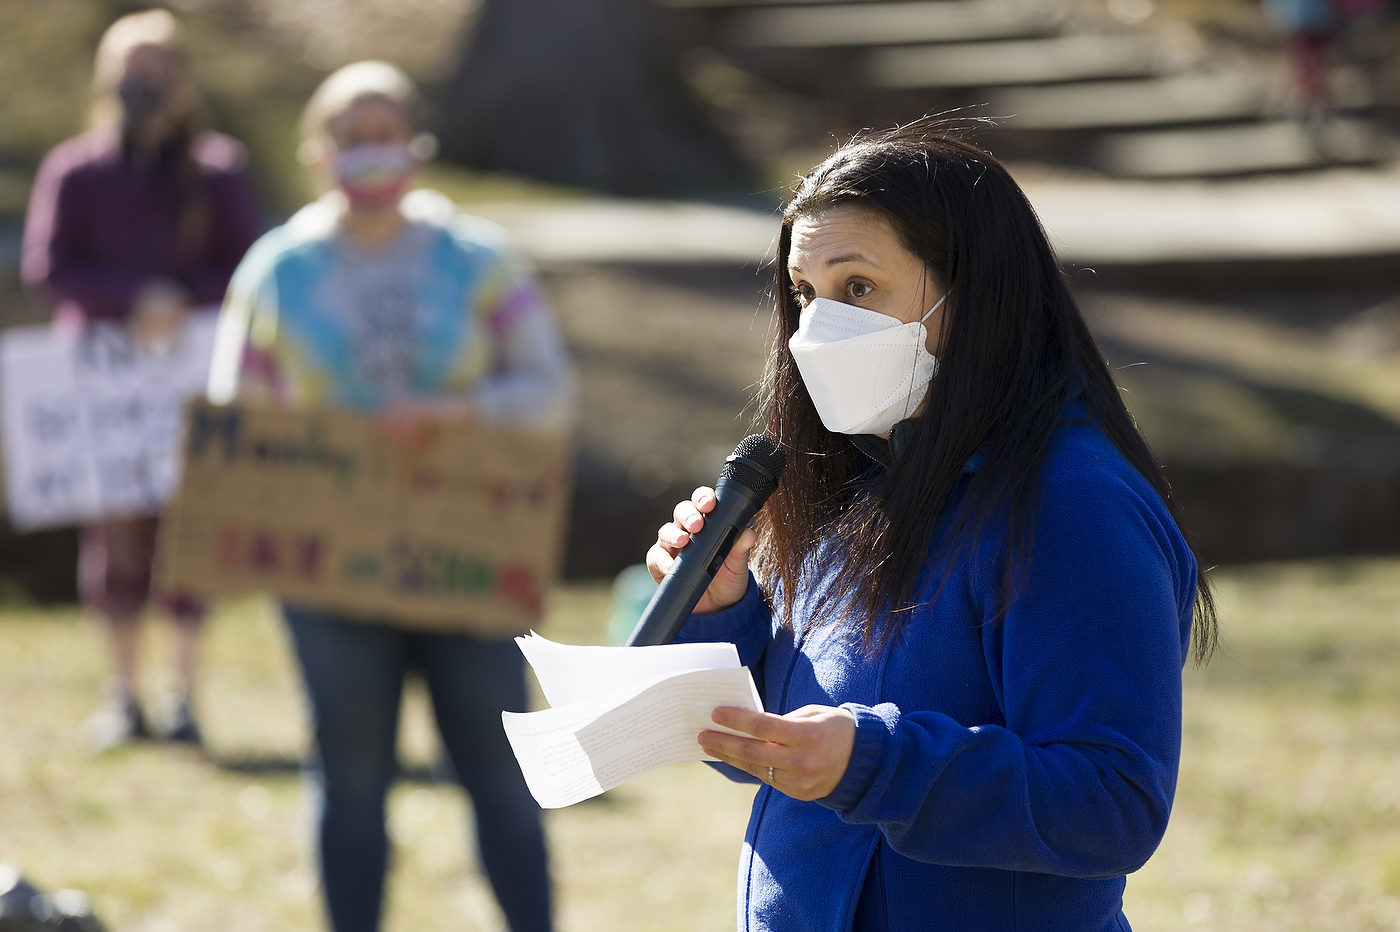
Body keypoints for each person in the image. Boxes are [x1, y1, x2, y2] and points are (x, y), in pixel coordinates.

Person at [647, 125, 1218, 932]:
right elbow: (798, 748)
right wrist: (723, 614)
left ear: (975, 294)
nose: (814, 329)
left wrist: (876, 763)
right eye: (806, 292)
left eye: (859, 288)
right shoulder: (860, 483)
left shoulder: (1075, 505)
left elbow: (1112, 804)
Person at [207, 61, 569, 932]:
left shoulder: (478, 259)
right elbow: (234, 415)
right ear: (317, 153)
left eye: (384, 134)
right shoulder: (276, 272)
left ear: (413, 146)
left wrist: (458, 412)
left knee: (499, 768)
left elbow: (548, 392)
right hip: (332, 567)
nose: (370, 153)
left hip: (465, 552)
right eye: (351, 137)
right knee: (352, 772)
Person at [20, 9, 261, 749]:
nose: (144, 87)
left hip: (186, 388)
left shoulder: (217, 171)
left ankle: (182, 694)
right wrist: (134, 298)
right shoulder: (74, 169)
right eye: (131, 71)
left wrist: (180, 301)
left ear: (183, 82)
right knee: (116, 544)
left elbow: (248, 267)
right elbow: (48, 269)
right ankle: (124, 694)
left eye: (157, 71)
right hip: (107, 397)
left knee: (189, 543)